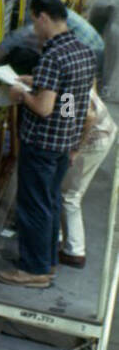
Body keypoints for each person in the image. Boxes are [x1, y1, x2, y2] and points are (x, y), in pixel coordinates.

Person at [0, 0, 99, 287]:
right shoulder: (82, 51)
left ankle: (34, 271)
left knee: (34, 207)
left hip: (41, 146)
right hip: (63, 144)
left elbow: (44, 108)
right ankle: (47, 261)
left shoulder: (53, 56)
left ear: (43, 17)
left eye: (33, 21)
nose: (34, 29)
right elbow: (70, 100)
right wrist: (40, 82)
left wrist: (22, 95)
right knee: (51, 202)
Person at [58, 85, 116, 268]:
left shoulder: (66, 90)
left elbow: (86, 117)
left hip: (94, 138)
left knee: (70, 195)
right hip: (103, 130)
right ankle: (59, 234)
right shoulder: (78, 63)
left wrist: (75, 148)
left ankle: (75, 251)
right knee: (67, 189)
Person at [0, 5, 104, 70]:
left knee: (21, 56)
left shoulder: (56, 57)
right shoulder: (57, 19)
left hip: (87, 59)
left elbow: (44, 107)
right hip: (95, 54)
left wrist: (24, 95)